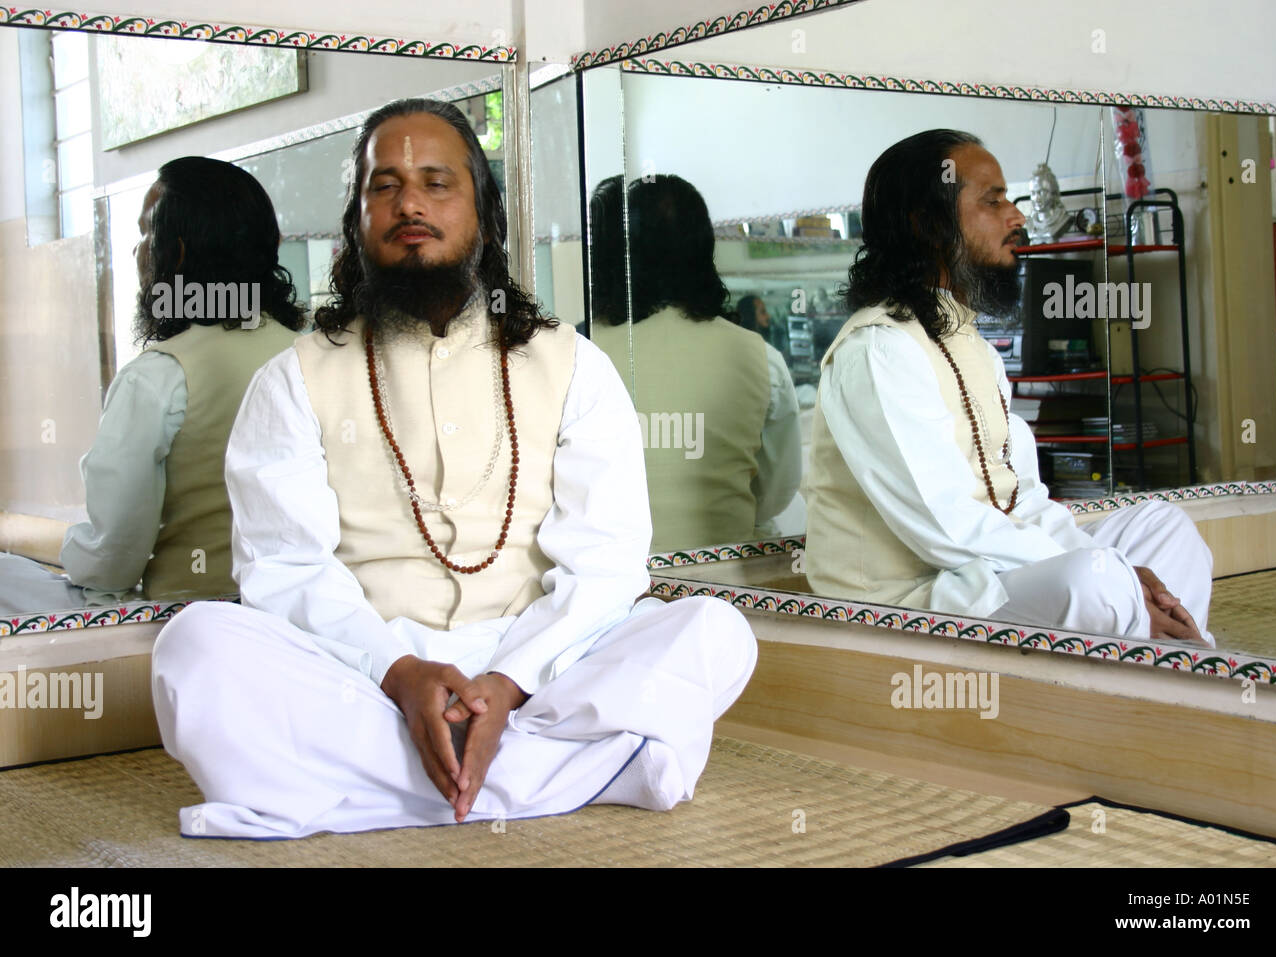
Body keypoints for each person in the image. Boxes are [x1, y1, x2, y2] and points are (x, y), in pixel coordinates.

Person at [151, 99, 758, 839]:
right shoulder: (293, 378)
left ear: (484, 213)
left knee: (715, 630)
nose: (409, 202)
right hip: (364, 675)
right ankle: (560, 776)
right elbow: (286, 570)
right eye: (385, 185)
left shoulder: (573, 365)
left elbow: (604, 563)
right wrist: (401, 674)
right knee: (195, 650)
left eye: (437, 182)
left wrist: (508, 682)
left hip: (538, 675)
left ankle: (377, 791)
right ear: (357, 218)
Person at [802, 129, 1213, 645]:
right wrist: (1111, 573)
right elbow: (943, 524)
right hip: (911, 600)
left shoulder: (971, 342)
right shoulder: (878, 350)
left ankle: (1169, 662)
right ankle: (1172, 671)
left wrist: (1118, 568)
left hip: (984, 576)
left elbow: (1025, 498)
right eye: (993, 201)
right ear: (926, 224)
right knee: (1094, 579)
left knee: (1165, 527)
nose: (1016, 217)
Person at [0, 157, 304, 613]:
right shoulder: (311, 356)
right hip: (302, 620)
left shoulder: (158, 376)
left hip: (188, 624)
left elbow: (111, 562)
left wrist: (18, 536)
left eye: (146, 234)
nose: (137, 252)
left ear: (176, 253)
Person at [589, 175, 801, 550]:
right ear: (705, 251)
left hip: (609, 586)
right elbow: (777, 492)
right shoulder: (758, 356)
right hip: (727, 583)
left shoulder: (579, 351)